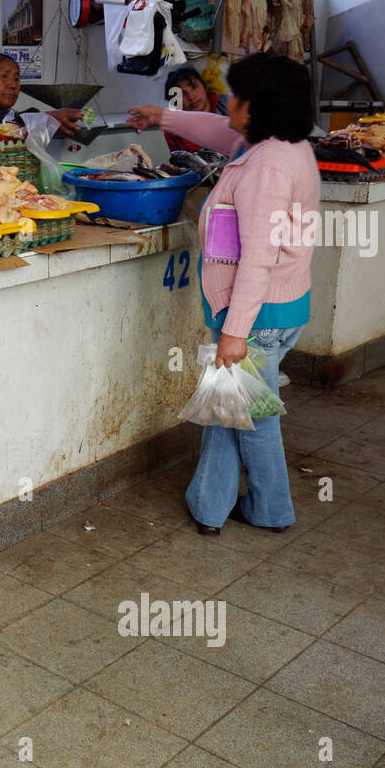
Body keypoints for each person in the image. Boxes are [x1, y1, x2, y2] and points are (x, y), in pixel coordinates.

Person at [127, 53, 319, 535]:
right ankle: (209, 505)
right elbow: (218, 130)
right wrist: (163, 116)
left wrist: (235, 333)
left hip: (257, 313)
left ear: (256, 108)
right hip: (271, 306)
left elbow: (259, 256)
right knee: (230, 406)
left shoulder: (267, 168)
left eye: (236, 95)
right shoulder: (275, 144)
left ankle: (271, 508)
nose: (227, 101)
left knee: (252, 415)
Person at [161, 65, 228, 153]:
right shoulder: (175, 130)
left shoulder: (228, 103)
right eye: (182, 94)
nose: (191, 97)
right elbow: (202, 162)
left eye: (194, 87)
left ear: (205, 86)